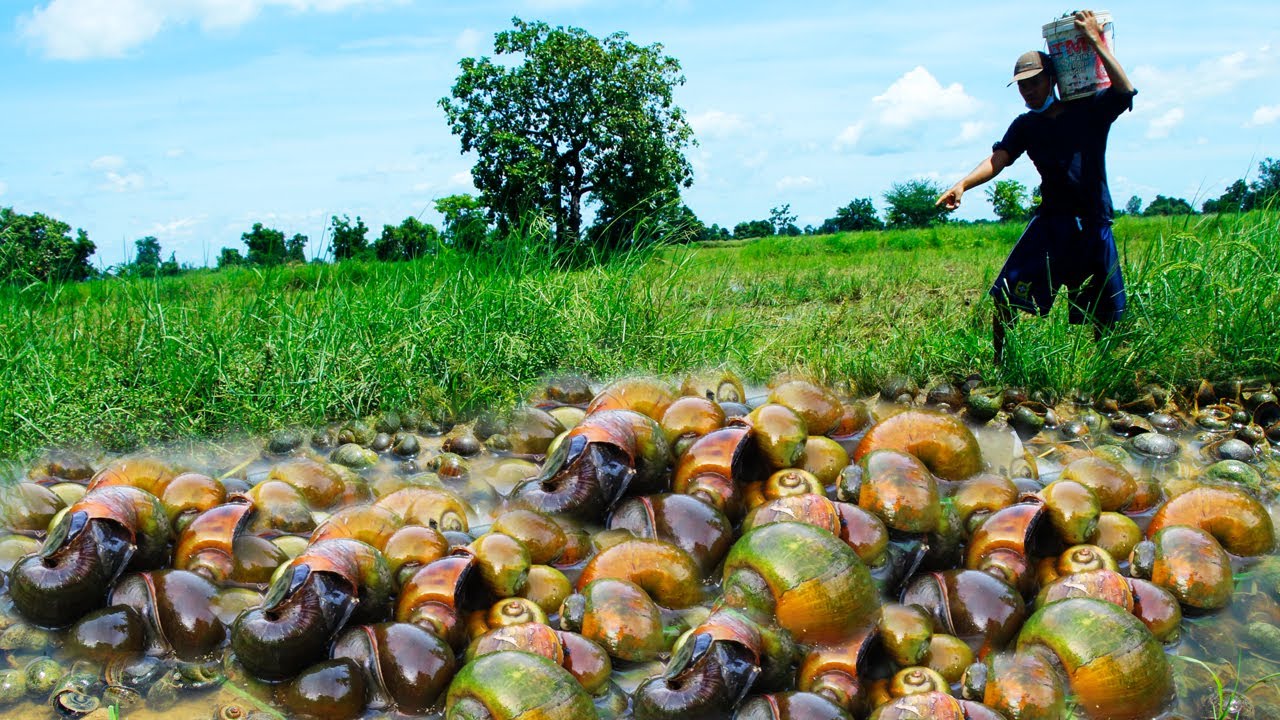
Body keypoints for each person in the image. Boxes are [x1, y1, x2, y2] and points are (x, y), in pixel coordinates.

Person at [937, 10, 1136, 364]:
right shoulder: (1026, 125)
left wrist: (1094, 40)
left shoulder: (1088, 110)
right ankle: (1002, 363)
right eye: (1022, 86)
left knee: (1104, 309)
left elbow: (1124, 89)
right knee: (1005, 294)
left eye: (1034, 82)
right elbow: (998, 159)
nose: (1028, 91)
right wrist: (963, 184)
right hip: (1052, 222)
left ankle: (1104, 374)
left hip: (1093, 221)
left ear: (1052, 79)